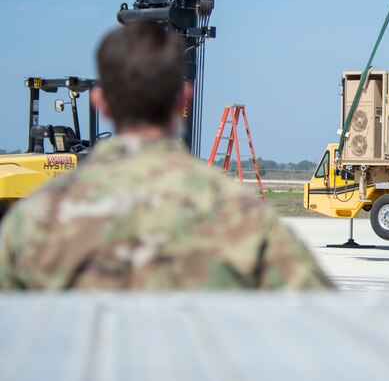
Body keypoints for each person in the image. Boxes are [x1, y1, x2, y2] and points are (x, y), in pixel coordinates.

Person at [0, 23, 332, 291]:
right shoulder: (246, 220)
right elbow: (321, 321)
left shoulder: (31, 224)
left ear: (101, 103)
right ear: (183, 98)